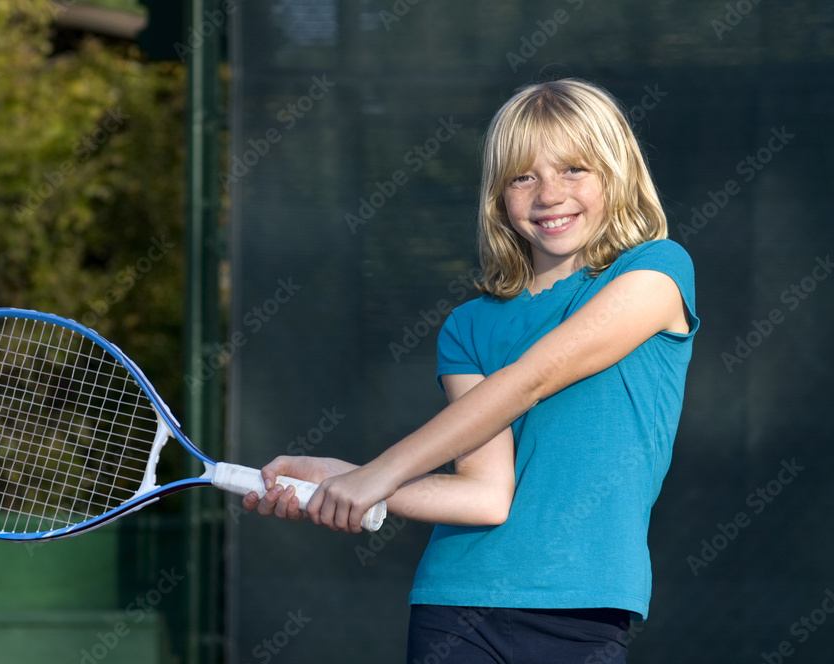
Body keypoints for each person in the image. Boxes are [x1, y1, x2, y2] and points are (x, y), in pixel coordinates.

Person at [243, 78, 698, 663]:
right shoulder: (468, 325)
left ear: (617, 172)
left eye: (574, 169)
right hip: (454, 609)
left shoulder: (657, 271)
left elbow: (531, 379)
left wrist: (375, 476)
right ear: (498, 195)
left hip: (585, 615)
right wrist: (343, 476)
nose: (549, 194)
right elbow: (486, 496)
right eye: (522, 177)